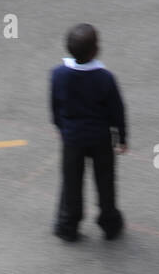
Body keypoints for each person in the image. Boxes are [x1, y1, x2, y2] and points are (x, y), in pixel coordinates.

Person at [50, 23, 127, 243]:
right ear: (94, 50)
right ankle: (109, 223)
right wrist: (121, 137)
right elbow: (117, 110)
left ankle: (67, 225)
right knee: (105, 182)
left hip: (72, 138)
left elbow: (55, 104)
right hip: (100, 139)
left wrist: (60, 127)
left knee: (71, 183)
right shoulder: (104, 78)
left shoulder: (58, 74)